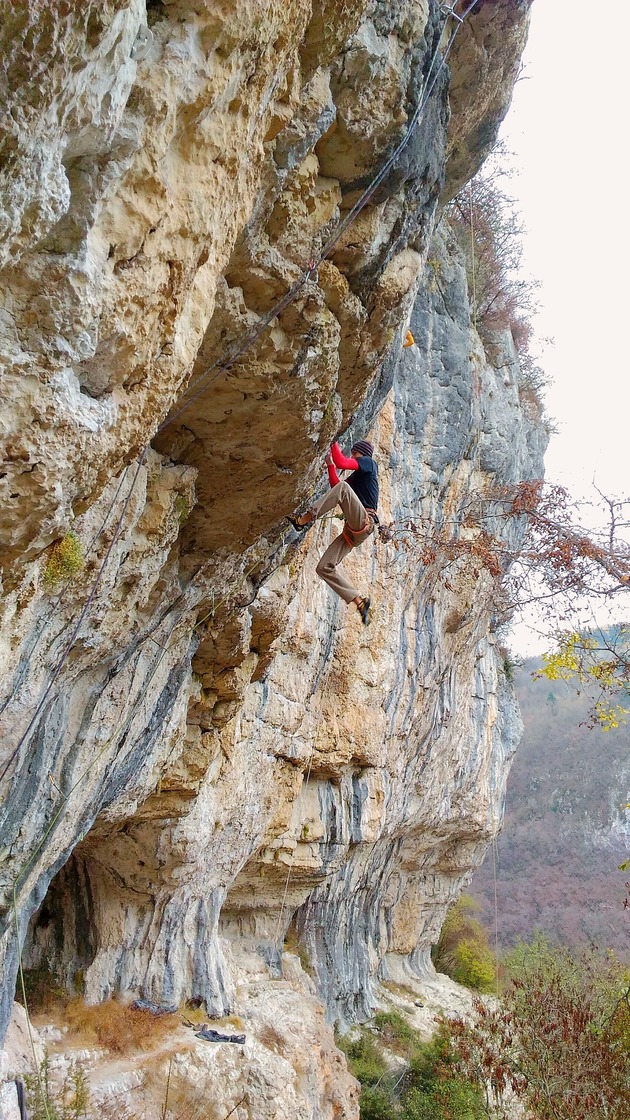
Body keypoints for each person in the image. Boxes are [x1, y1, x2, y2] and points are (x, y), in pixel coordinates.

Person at [289, 439, 378, 625]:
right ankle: (359, 602)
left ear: (358, 452)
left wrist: (333, 440)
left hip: (364, 521)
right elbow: (336, 486)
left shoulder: (369, 462)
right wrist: (330, 465)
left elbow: (343, 462)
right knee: (324, 567)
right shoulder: (358, 478)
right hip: (354, 531)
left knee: (344, 489)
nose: (353, 458)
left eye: (354, 454)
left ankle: (303, 520)